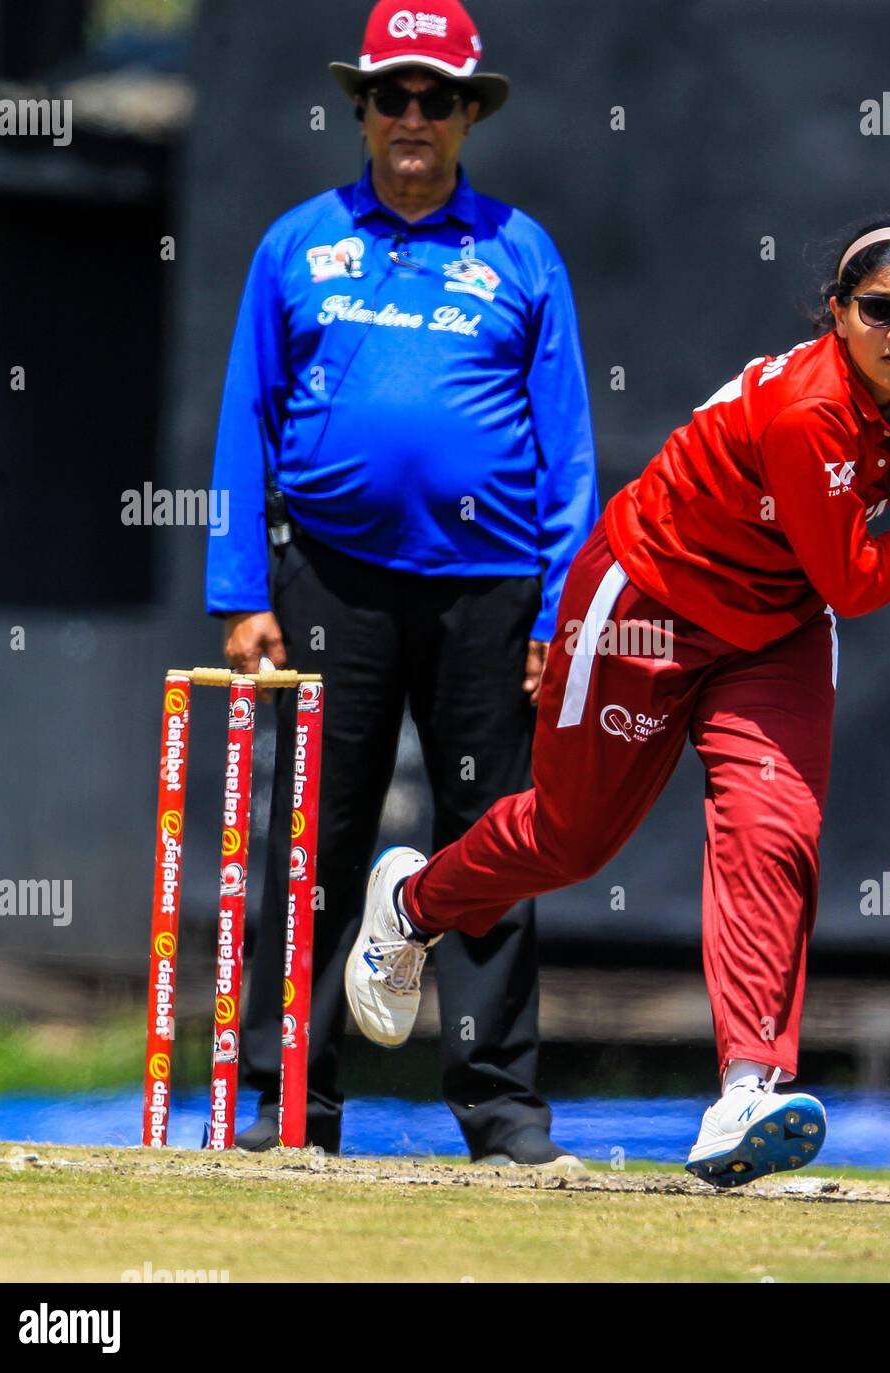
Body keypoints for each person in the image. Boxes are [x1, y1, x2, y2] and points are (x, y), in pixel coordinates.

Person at [342, 217, 890, 1186]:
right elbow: (859, 580)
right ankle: (411, 903)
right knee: (572, 840)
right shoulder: (807, 410)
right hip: (648, 601)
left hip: (774, 624)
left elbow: (830, 578)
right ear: (837, 311)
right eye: (879, 310)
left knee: (772, 828)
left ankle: (748, 1085)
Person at [205, 0, 598, 1165]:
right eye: (393, 94)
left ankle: (502, 1114)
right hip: (331, 582)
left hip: (490, 591)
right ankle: (295, 1108)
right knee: (313, 840)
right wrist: (241, 592)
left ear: (471, 113)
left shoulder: (520, 249)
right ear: (362, 109)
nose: (413, 116)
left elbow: (567, 448)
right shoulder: (298, 244)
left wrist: (561, 607)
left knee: (490, 845)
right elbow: (245, 422)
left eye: (438, 98)